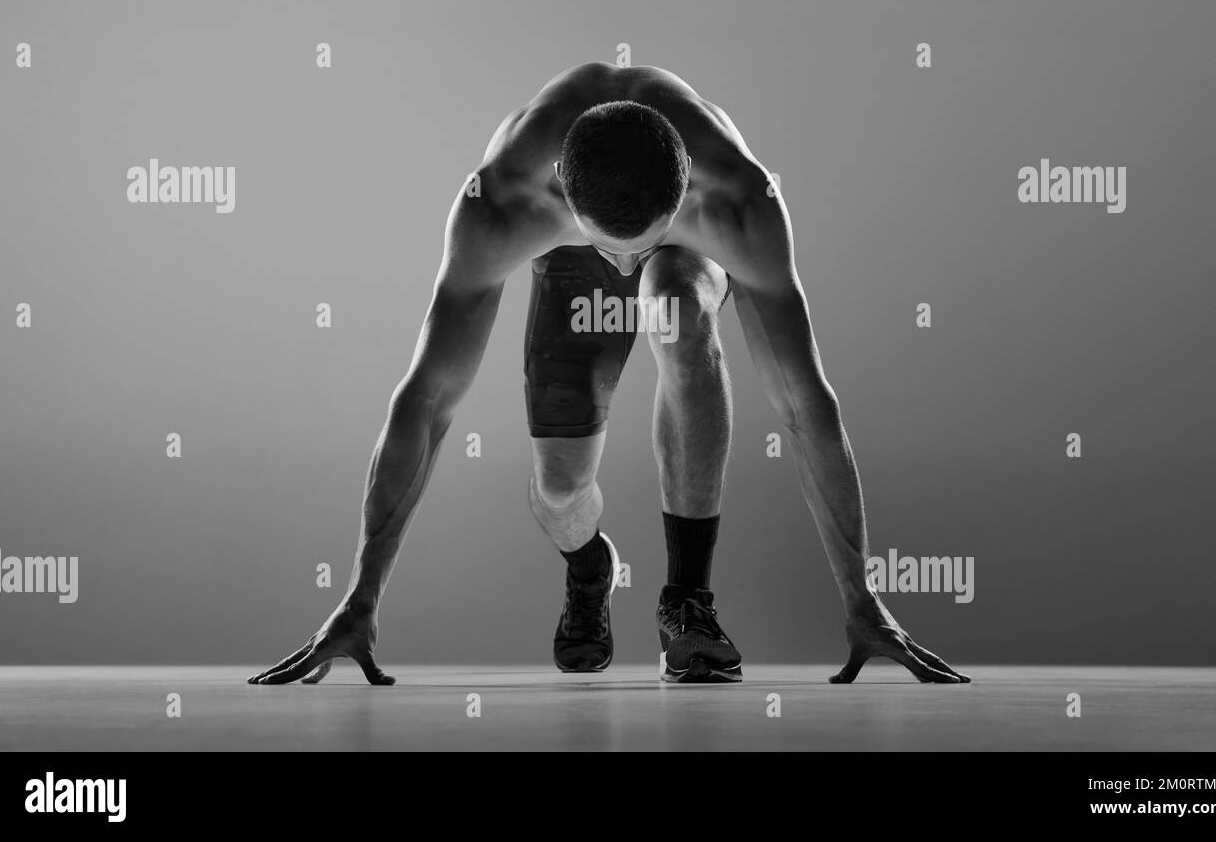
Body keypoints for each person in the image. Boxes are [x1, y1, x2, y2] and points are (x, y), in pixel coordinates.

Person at [249, 62, 970, 686]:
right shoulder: (502, 201)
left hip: (681, 256)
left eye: (642, 245)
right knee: (561, 489)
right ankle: (590, 564)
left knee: (678, 311)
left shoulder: (738, 201)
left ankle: (688, 600)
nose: (624, 270)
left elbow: (805, 403)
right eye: (613, 252)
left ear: (684, 196)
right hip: (573, 252)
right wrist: (362, 595)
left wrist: (861, 594)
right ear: (563, 194)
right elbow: (428, 399)